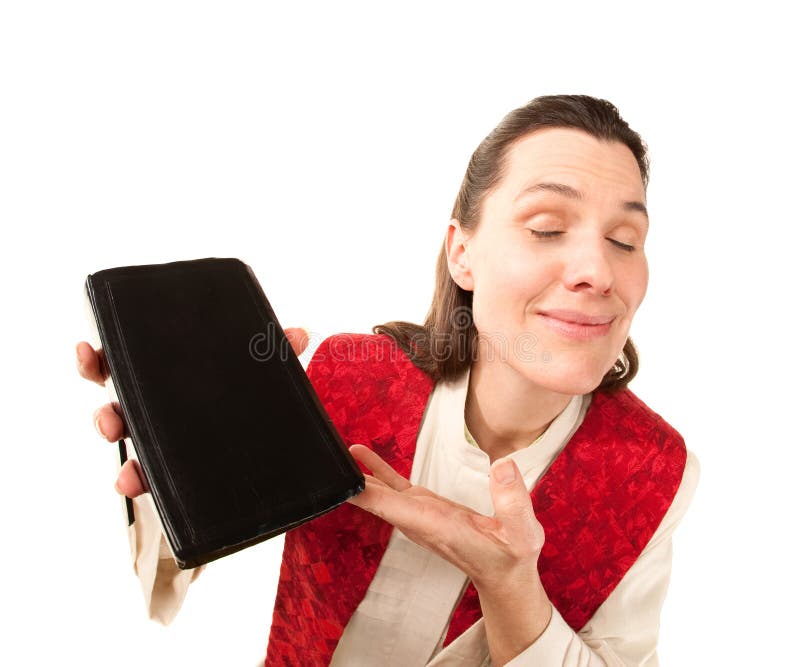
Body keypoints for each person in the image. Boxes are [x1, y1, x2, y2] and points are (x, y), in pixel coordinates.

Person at [77, 94, 699, 666]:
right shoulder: (344, 379)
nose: (597, 269)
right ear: (462, 254)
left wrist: (511, 585)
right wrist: (178, 455)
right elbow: (181, 558)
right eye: (546, 228)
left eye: (625, 239)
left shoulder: (658, 469)